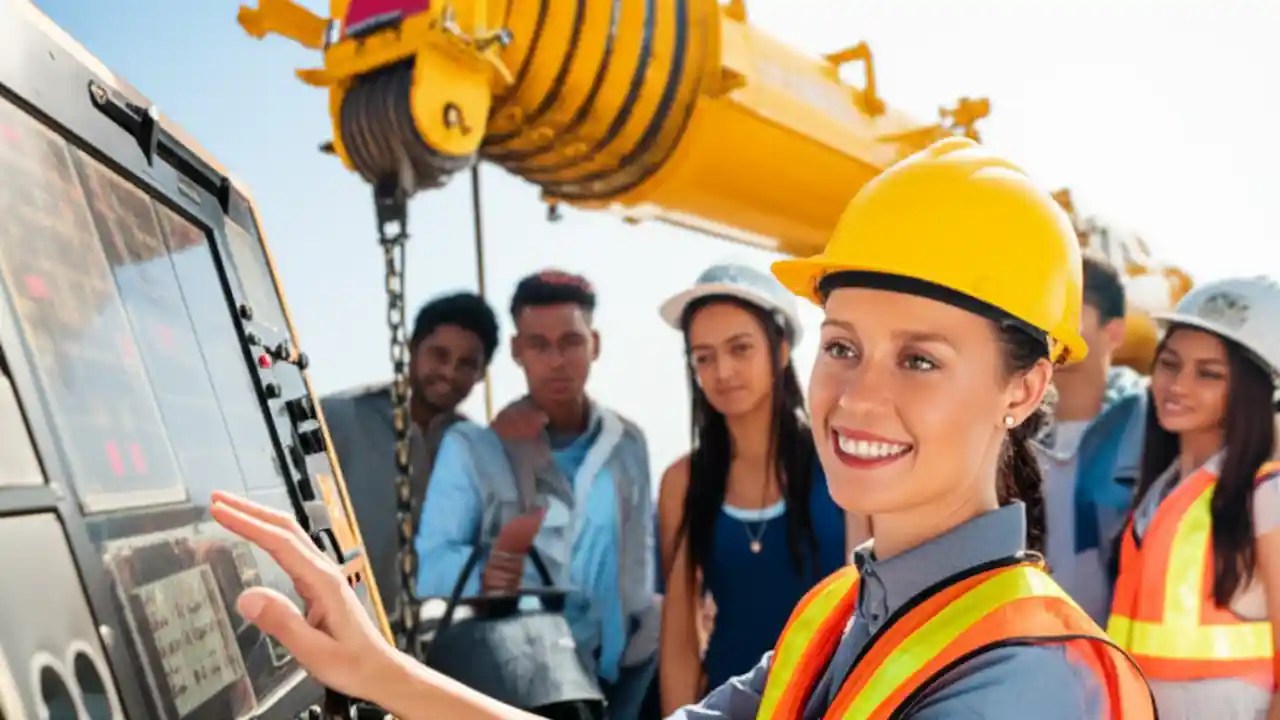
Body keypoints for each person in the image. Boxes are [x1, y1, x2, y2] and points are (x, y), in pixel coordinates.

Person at [205, 137, 1154, 719]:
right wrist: (382, 673)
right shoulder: (837, 617)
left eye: (920, 360)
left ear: (1026, 388)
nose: (858, 399)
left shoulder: (1034, 680)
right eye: (844, 347)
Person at [414, 269, 658, 719]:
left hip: (622, 684)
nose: (556, 360)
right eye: (538, 345)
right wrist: (494, 574)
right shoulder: (472, 449)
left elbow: (640, 566)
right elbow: (429, 567)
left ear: (595, 344)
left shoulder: (628, 443)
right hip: (524, 685)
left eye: (570, 342)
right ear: (516, 351)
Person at [655, 262, 851, 712]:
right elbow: (681, 634)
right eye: (703, 357)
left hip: (830, 701)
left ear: (780, 349)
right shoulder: (682, 482)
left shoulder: (839, 457)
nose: (722, 370)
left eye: (740, 348)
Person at [1107, 275, 1280, 720]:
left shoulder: (1268, 494)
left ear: (1254, 392)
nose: (1178, 385)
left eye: (1209, 374)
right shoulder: (1159, 493)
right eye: (1169, 364)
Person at [320, 291, 499, 618]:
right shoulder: (336, 418)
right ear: (412, 348)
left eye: (466, 364)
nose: (448, 372)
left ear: (482, 373)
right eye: (439, 355)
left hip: (414, 643)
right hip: (325, 621)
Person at [1030, 254, 1148, 624]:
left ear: (1114, 331)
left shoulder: (1150, 423)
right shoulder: (1007, 426)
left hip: (1120, 656)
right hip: (1026, 651)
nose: (1053, 329)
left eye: (1070, 313)